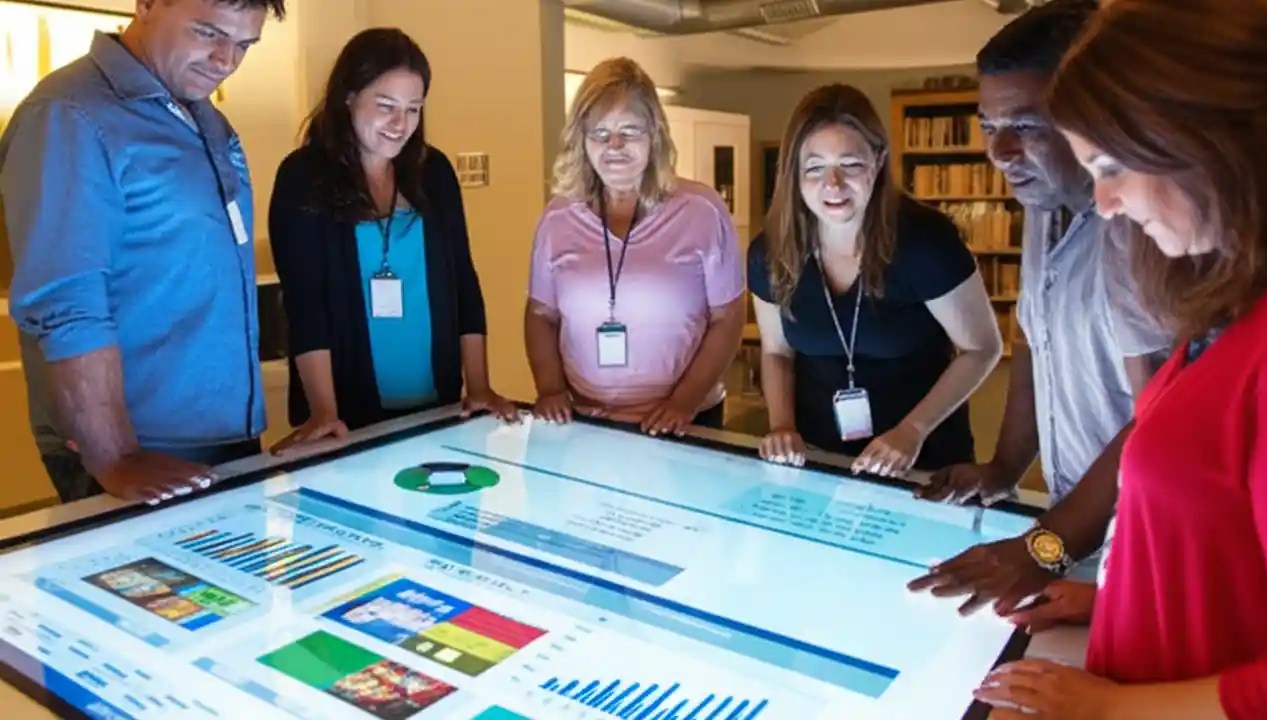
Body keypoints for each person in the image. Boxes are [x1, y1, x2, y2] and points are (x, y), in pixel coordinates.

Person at [975, 1, 1267, 716]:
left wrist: (1111, 709)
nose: (1105, 203)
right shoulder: (1226, 307)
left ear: (1206, 140)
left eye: (1112, 166)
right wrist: (1115, 597)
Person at [906, 0, 1168, 618]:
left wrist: (1045, 547)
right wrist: (1003, 468)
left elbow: (1159, 418)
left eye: (1025, 126)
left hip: (1136, 539)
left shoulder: (1133, 229)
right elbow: (1033, 338)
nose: (998, 150)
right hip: (1067, 521)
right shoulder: (1042, 203)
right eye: (987, 124)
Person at [0, 0, 286, 504]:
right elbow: (67, 297)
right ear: (147, 4)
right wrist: (113, 455)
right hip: (140, 451)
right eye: (208, 32)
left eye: (243, 44)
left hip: (223, 433)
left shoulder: (203, 117)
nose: (226, 60)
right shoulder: (72, 114)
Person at [268, 28, 515, 452]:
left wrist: (479, 384)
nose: (400, 124)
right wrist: (324, 411)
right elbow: (305, 304)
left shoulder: (433, 171)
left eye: (413, 109)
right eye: (385, 106)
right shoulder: (303, 177)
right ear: (348, 97)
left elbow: (464, 284)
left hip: (436, 409)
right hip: (348, 420)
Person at [749, 83, 1002, 476]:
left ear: (878, 161)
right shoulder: (770, 251)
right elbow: (777, 351)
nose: (833, 184)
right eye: (815, 167)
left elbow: (982, 348)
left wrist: (911, 431)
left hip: (919, 458)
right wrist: (782, 425)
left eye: (850, 165)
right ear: (794, 173)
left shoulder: (925, 242)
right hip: (818, 459)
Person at [524, 57, 746, 435]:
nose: (615, 146)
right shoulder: (557, 218)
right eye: (600, 133)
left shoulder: (702, 211)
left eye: (630, 131)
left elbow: (728, 318)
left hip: (684, 422)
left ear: (654, 135)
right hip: (584, 422)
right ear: (582, 139)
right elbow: (541, 315)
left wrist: (683, 403)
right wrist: (550, 389)